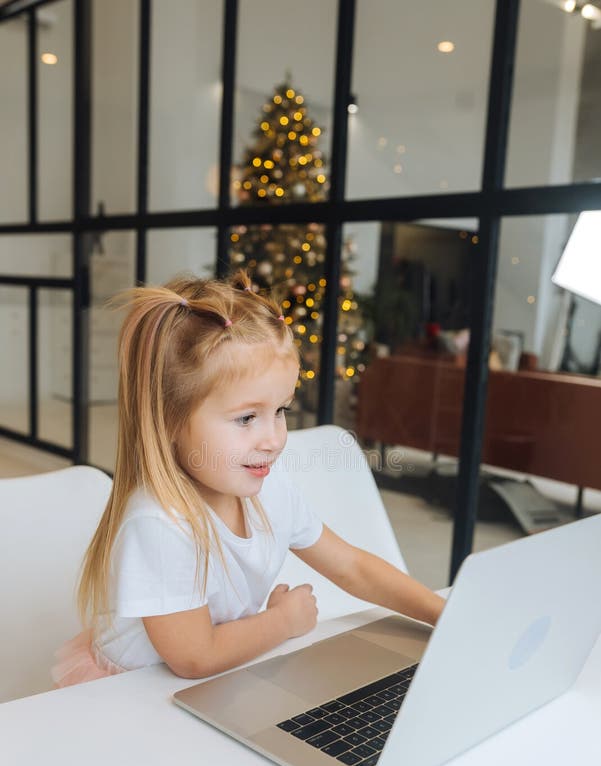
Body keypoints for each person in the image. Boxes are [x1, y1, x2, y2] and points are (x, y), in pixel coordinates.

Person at [52, 271, 444, 688]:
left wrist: (443, 615)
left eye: (281, 411)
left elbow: (352, 567)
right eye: (246, 418)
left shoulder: (270, 490)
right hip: (131, 696)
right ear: (169, 420)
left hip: (206, 688)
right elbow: (195, 657)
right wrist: (283, 621)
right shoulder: (160, 523)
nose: (274, 439)